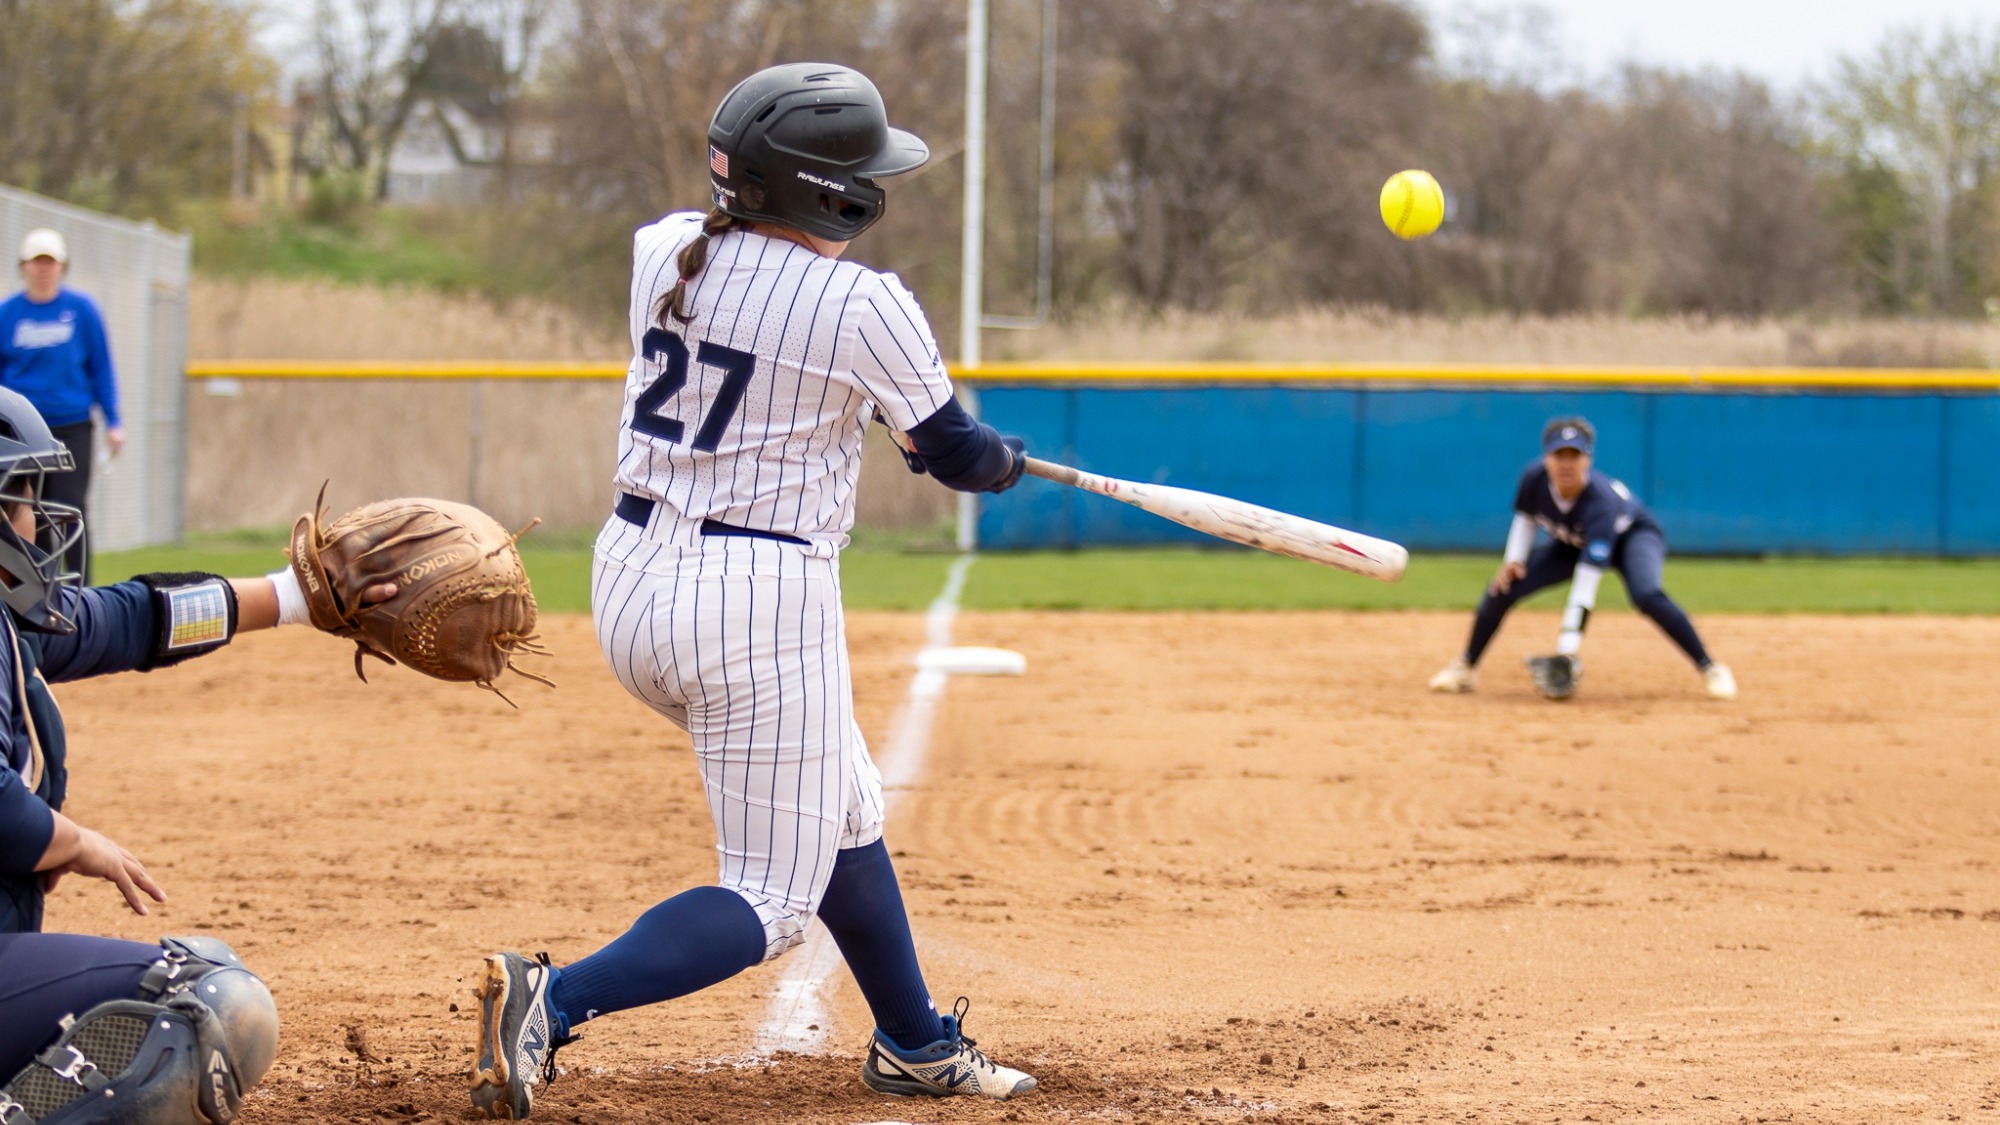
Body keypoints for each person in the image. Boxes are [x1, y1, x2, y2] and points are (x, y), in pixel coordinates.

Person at [469, 63, 1035, 1119]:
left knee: (842, 804)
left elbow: (799, 379)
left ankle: (914, 1043)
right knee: (772, 897)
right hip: (753, 606)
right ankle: (555, 999)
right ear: (830, 193)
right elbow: (953, 453)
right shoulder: (864, 303)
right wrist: (999, 461)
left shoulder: (661, 248)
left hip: (630, 582)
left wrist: (912, 429)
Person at [0, 384, 390, 1123]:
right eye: (21, 495)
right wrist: (72, 842)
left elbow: (137, 619)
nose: (37, 518)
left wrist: (297, 596)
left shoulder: (12, 623)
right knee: (206, 998)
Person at [1428, 415, 1736, 700]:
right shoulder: (1534, 478)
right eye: (1558, 455)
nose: (1566, 463)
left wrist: (1567, 650)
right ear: (1546, 458)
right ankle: (1465, 669)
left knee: (1646, 595)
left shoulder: (1599, 503)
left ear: (1588, 459)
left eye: (1574, 455)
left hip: (1632, 537)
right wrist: (1514, 561)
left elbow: (1585, 585)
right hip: (1573, 542)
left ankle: (1711, 668)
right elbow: (1526, 518)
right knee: (1503, 587)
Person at [0, 228, 121, 584]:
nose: (43, 269)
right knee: (27, 511)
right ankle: (37, 589)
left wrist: (114, 420)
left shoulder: (82, 310)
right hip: (20, 429)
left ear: (62, 266)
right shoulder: (8, 313)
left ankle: (84, 592)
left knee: (70, 508)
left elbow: (101, 367)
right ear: (24, 266)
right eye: (36, 261)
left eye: (50, 262)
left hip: (71, 424)